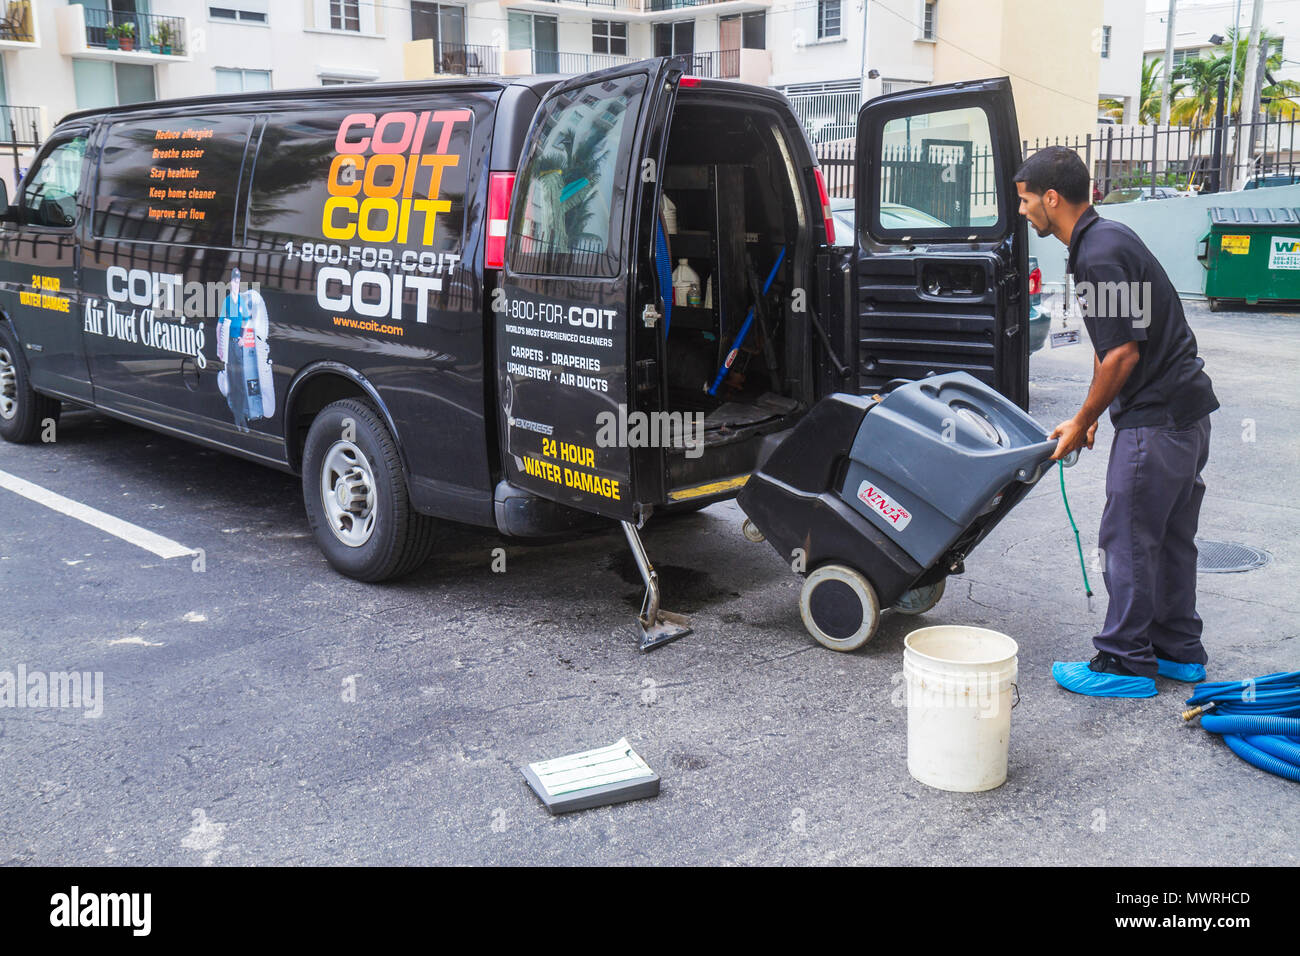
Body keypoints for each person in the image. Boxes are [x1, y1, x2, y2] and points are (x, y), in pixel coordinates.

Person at [1014, 147, 1220, 698]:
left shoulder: (1096, 257)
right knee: (1171, 537)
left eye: (1025, 198)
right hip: (1187, 416)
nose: (1023, 210)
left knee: (1126, 537)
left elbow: (1122, 355)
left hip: (1157, 423)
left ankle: (1125, 663)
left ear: (1051, 198)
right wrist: (1098, 412)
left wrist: (1083, 418)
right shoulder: (1111, 238)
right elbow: (1121, 346)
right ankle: (1178, 652)